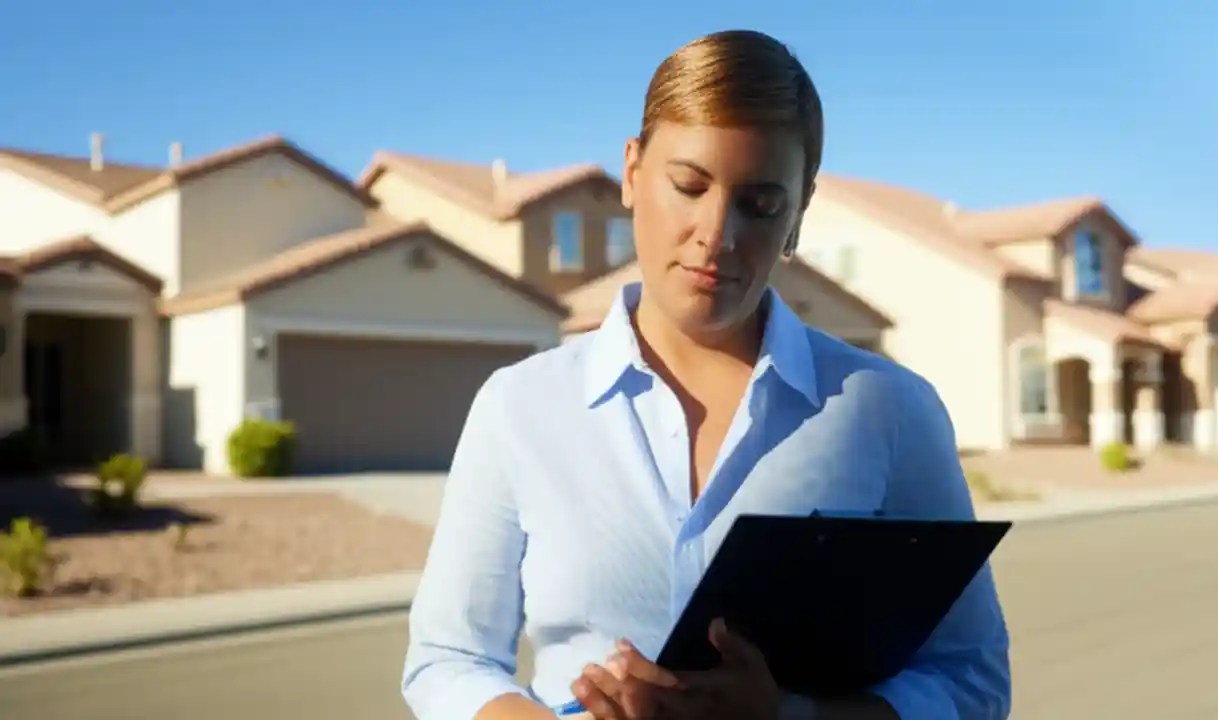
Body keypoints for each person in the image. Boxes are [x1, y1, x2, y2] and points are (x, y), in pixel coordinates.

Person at [402, 29, 1011, 720]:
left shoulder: (889, 409)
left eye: (761, 205)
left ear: (799, 214)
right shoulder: (519, 407)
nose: (716, 233)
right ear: (632, 172)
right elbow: (446, 661)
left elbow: (971, 682)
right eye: (689, 185)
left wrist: (790, 717)